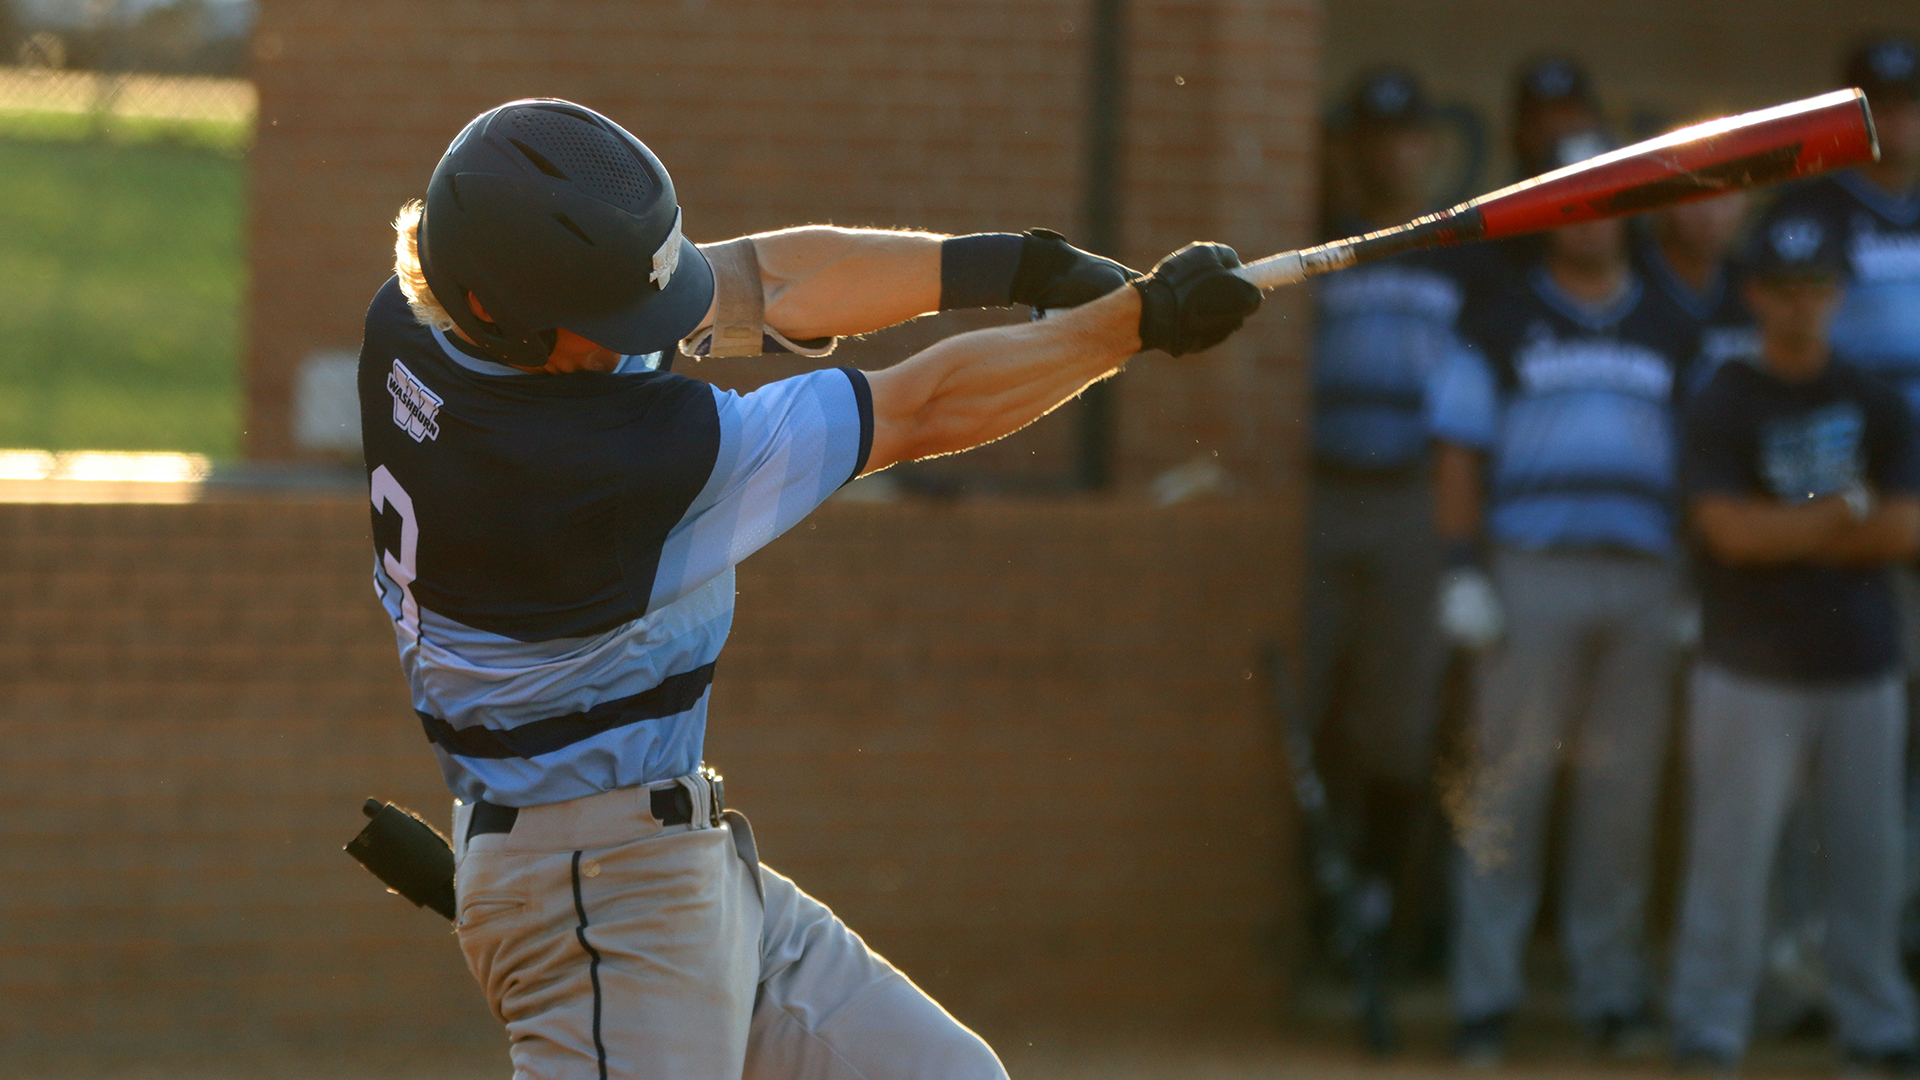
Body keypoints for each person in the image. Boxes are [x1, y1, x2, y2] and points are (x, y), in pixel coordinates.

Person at [357, 99, 1261, 1080]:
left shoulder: (420, 319)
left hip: (649, 868)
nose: (639, 337)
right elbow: (924, 407)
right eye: (608, 321)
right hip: (604, 902)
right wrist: (1135, 326)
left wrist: (1021, 266)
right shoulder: (611, 463)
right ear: (510, 313)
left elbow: (756, 285)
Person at [1427, 129, 1700, 1065]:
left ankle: (1610, 993)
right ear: (1552, 209)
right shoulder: (1499, 317)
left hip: (1643, 575)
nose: (1593, 215)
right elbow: (1457, 450)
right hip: (1527, 575)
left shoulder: (1673, 321)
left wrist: (1692, 581)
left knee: (1622, 798)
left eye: (1610, 193)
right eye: (1575, 196)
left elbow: (1701, 460)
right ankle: (1485, 999)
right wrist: (1462, 567)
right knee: (1509, 789)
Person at [1668, 212, 1920, 1075]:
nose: (1799, 306)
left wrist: (1795, 530)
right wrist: (1844, 512)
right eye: (1783, 289)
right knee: (1730, 864)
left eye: (1815, 288)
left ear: (1839, 294)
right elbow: (1728, 535)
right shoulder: (1724, 398)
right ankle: (1710, 1026)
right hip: (1748, 667)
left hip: (1861, 664)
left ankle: (1876, 1023)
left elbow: (1909, 530)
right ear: (1754, 294)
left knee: (1870, 863)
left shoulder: (1874, 398)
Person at [1297, 66, 1456, 1052]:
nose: (1391, 150)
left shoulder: (1460, 247)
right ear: (1351, 145)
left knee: (1403, 725)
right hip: (1322, 493)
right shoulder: (1325, 241)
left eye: (1407, 134)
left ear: (1430, 146)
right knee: (1312, 716)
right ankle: (1323, 915)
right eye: (1374, 134)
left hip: (1408, 499)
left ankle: (1402, 922)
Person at [1766, 33, 1920, 969]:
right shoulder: (1810, 214)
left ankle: (1890, 934)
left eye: (1910, 100)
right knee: (1836, 743)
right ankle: (1809, 941)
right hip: (1849, 503)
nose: (1898, 117)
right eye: (1881, 100)